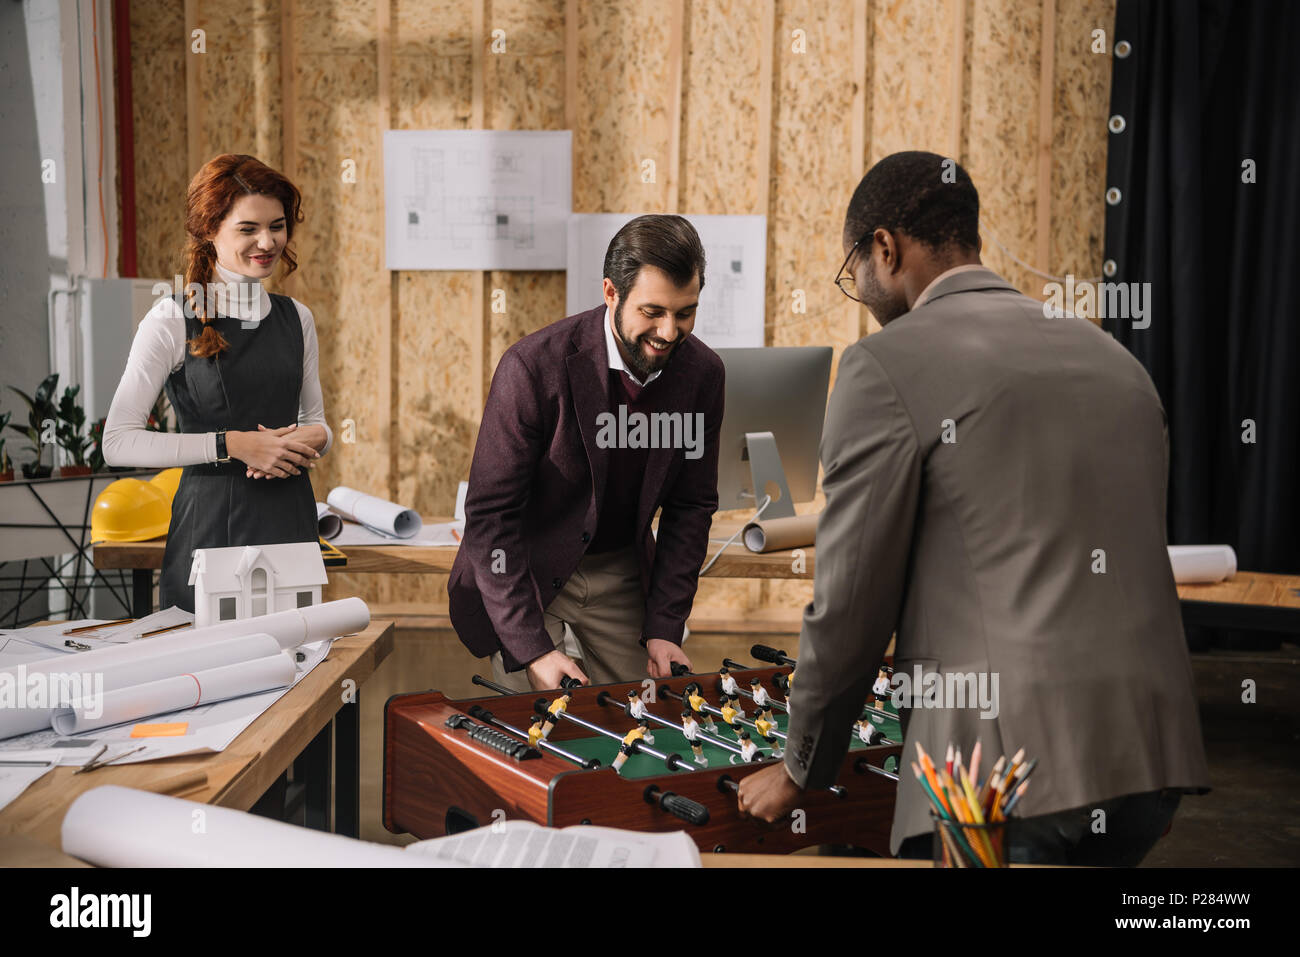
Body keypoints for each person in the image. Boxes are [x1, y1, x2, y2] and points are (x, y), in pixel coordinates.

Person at [737, 151, 1209, 866]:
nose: (860, 292)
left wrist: (802, 765)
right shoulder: (1117, 362)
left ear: (885, 248)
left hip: (1003, 778)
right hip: (1151, 760)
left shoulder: (883, 365)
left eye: (853, 272)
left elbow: (850, 603)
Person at [448, 215, 724, 691]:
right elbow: (491, 518)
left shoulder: (703, 374)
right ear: (610, 293)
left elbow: (690, 506)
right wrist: (532, 648)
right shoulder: (531, 368)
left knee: (649, 718)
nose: (669, 331)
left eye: (685, 312)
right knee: (536, 733)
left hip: (622, 567)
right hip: (525, 567)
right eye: (652, 312)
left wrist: (665, 623)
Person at [102, 154, 331, 612]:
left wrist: (315, 437)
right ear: (210, 229)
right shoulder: (171, 318)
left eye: (277, 225)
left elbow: (317, 423)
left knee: (301, 672)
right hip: (210, 531)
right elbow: (118, 443)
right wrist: (232, 445)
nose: (267, 241)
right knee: (210, 675)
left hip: (291, 522)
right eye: (247, 229)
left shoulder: (296, 318)